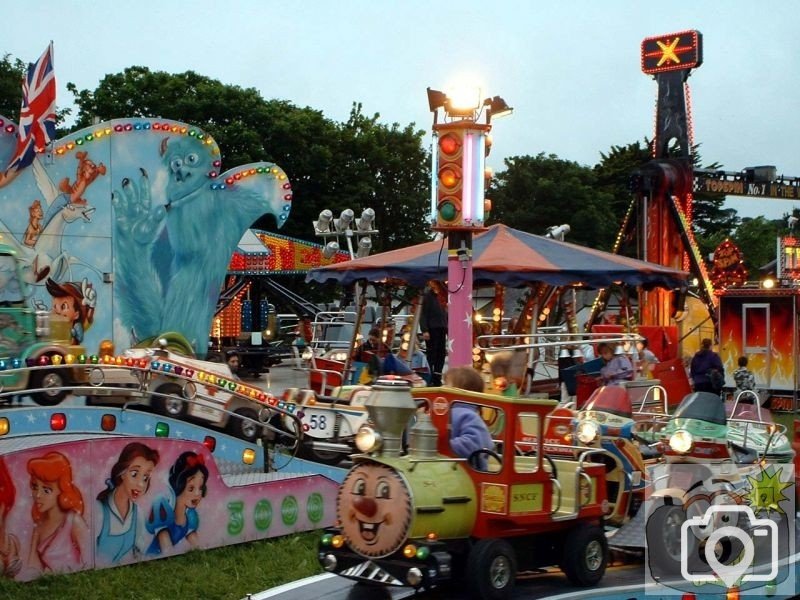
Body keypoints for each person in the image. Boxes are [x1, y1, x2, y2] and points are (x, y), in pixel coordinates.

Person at [26, 451, 91, 574]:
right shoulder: (39, 526)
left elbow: (90, 559)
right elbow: (32, 566)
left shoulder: (73, 521)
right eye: (35, 487)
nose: (37, 495)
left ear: (62, 490)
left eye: (46, 490)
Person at [96, 442, 160, 564]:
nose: (140, 485)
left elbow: (138, 552)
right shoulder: (100, 510)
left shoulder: (137, 514)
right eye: (134, 474)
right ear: (122, 473)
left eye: (145, 478)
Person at [146, 451, 209, 555]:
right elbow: (167, 548)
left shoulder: (190, 516)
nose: (197, 494)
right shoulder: (165, 511)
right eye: (191, 488)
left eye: (200, 488)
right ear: (179, 486)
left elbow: (197, 543)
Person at [443, 367, 494, 470]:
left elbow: (476, 442)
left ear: (461, 391)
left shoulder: (467, 415)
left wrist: (443, 446)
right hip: (446, 466)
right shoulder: (445, 411)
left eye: (446, 385)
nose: (442, 387)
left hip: (465, 470)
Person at [420, 284, 447, 386]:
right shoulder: (427, 296)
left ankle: (437, 377)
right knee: (432, 354)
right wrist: (425, 330)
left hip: (442, 327)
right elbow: (423, 314)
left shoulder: (443, 297)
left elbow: (446, 313)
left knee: (441, 354)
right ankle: (430, 377)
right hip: (432, 328)